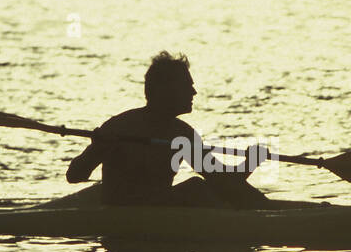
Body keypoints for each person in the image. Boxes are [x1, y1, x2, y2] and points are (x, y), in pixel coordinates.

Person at [66, 52, 270, 208]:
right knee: (196, 188)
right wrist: (97, 149)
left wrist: (251, 161)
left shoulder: (182, 134)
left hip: (159, 210)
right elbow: (74, 175)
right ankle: (264, 218)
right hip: (123, 215)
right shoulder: (121, 126)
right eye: (186, 86)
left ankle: (267, 211)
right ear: (166, 90)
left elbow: (222, 180)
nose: (193, 92)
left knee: (203, 186)